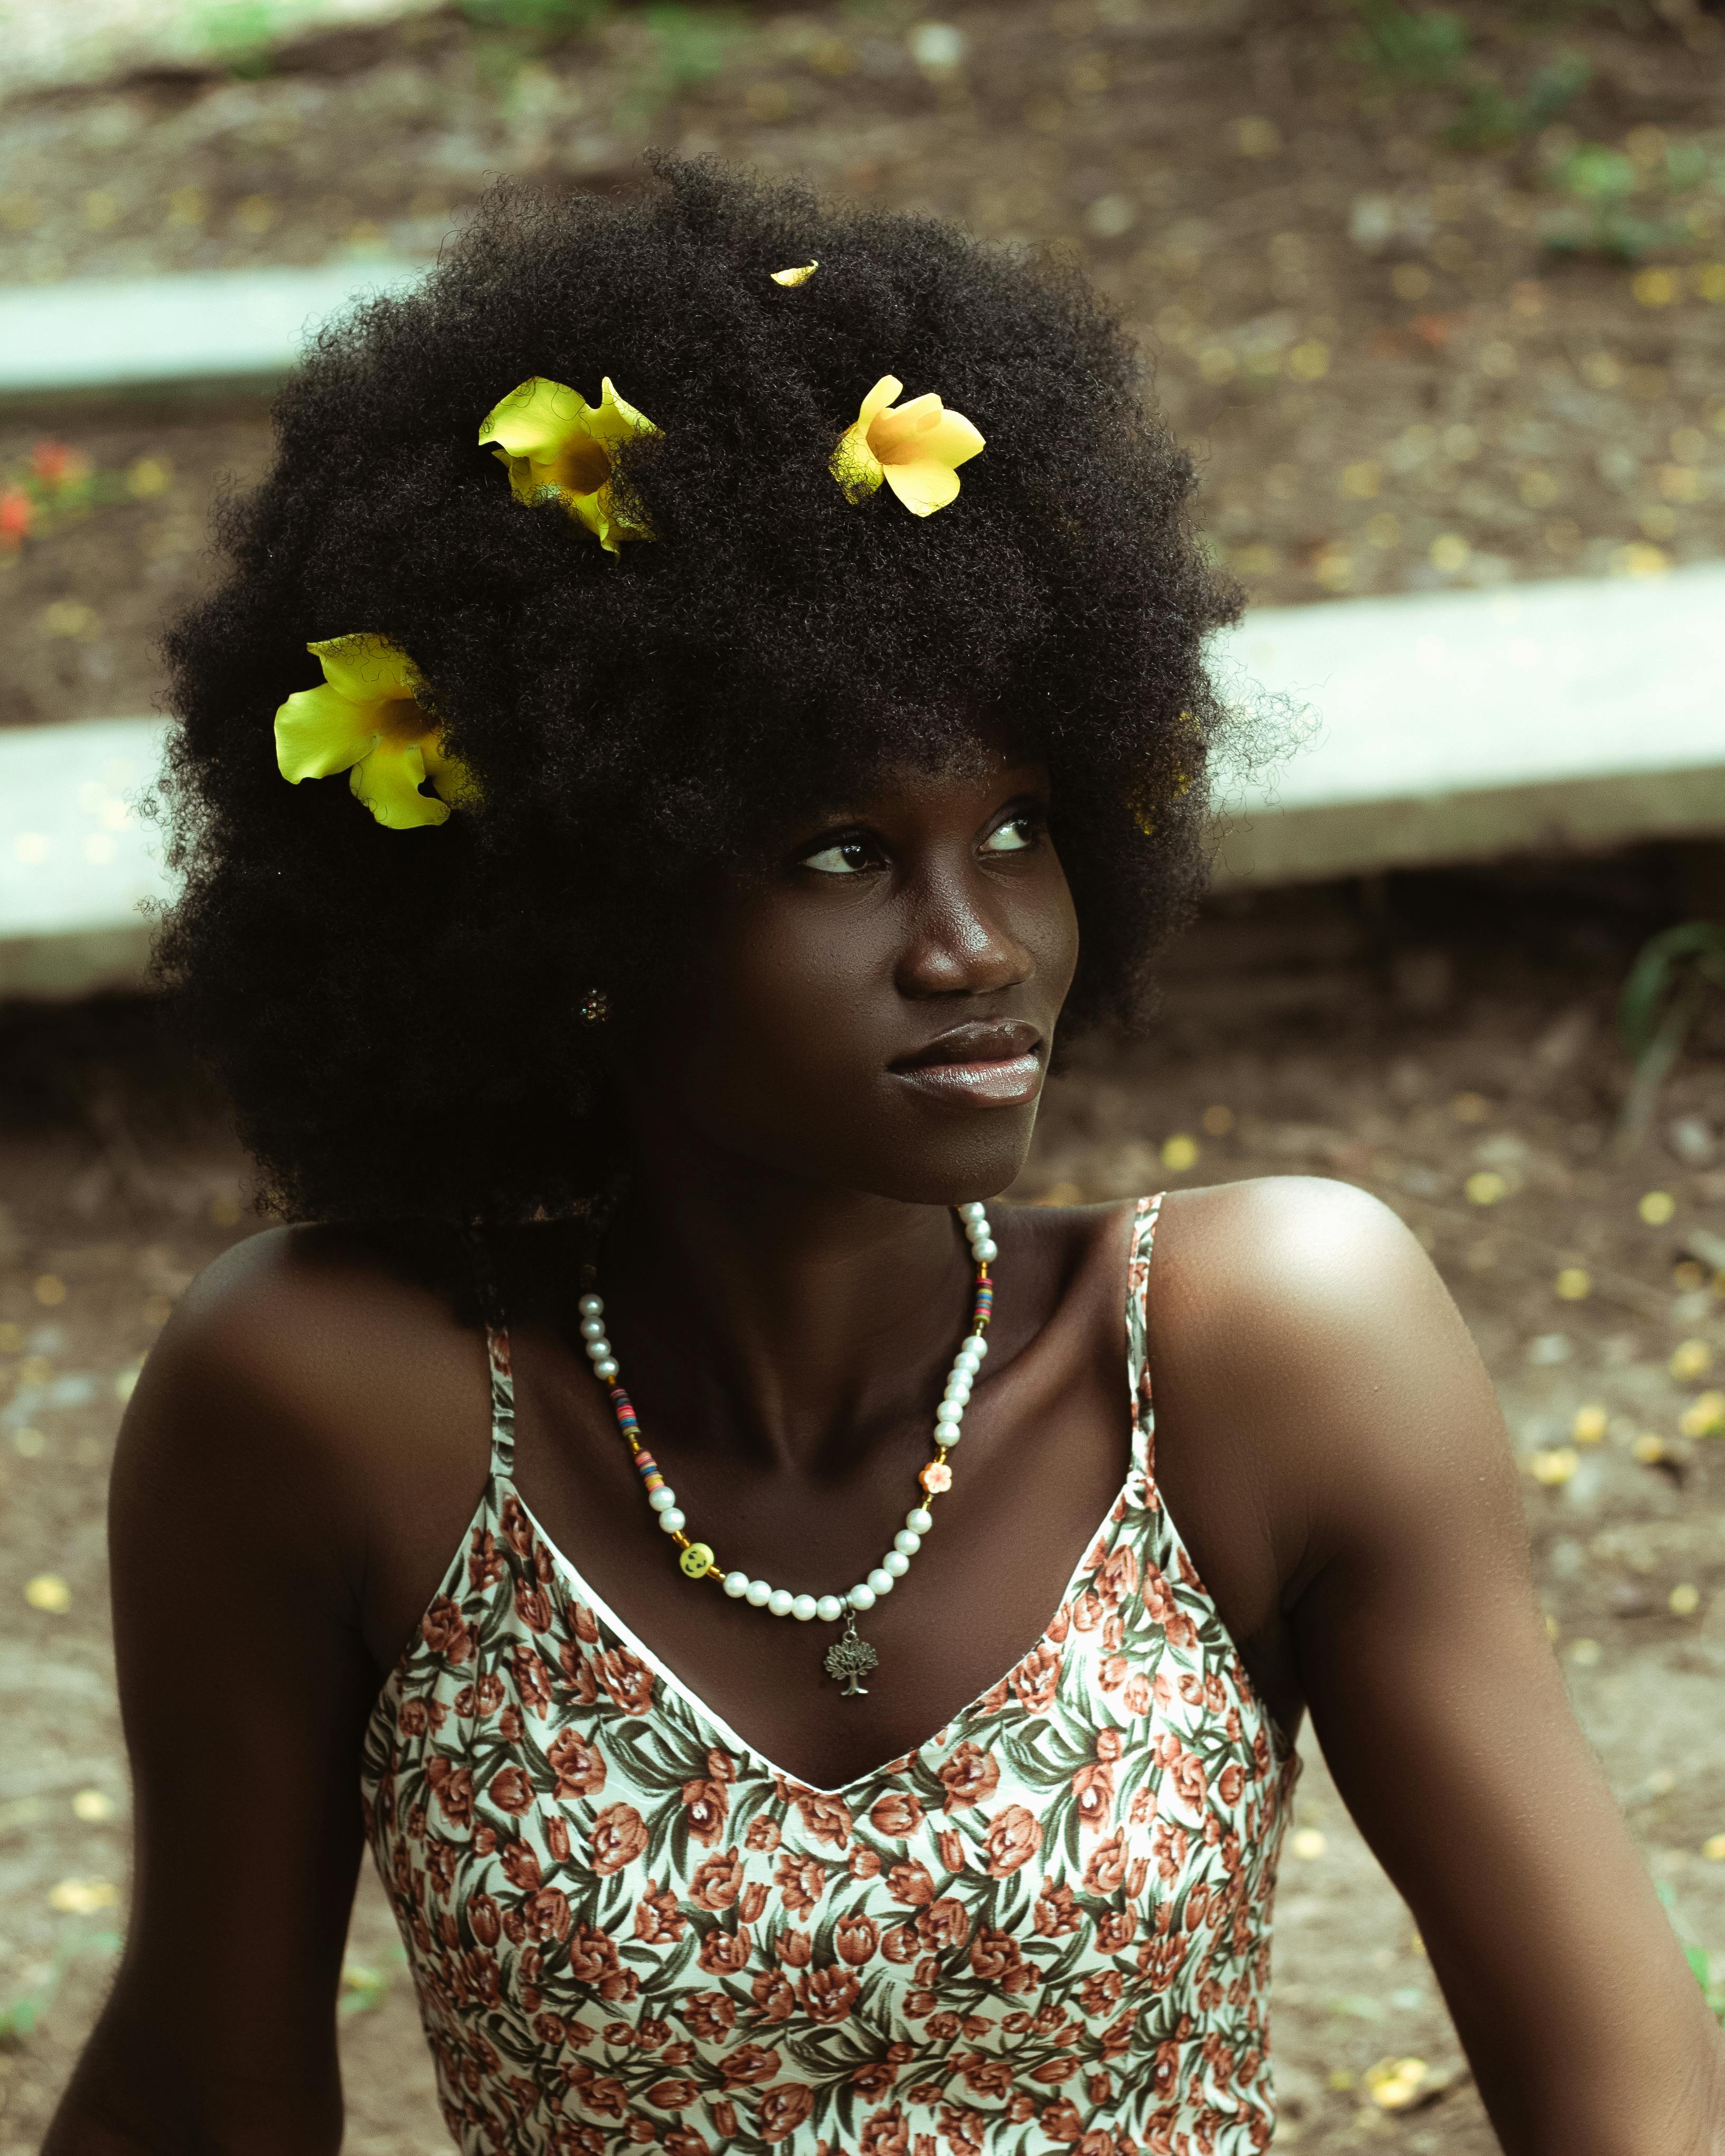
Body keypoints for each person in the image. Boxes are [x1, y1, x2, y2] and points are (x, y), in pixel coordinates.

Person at [46, 159, 1724, 2156]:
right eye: (841, 853)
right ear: (583, 902)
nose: (973, 943)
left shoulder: (1261, 1349)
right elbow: (202, 2091)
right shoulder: (330, 1401)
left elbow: (1635, 2108)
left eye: (1015, 827)